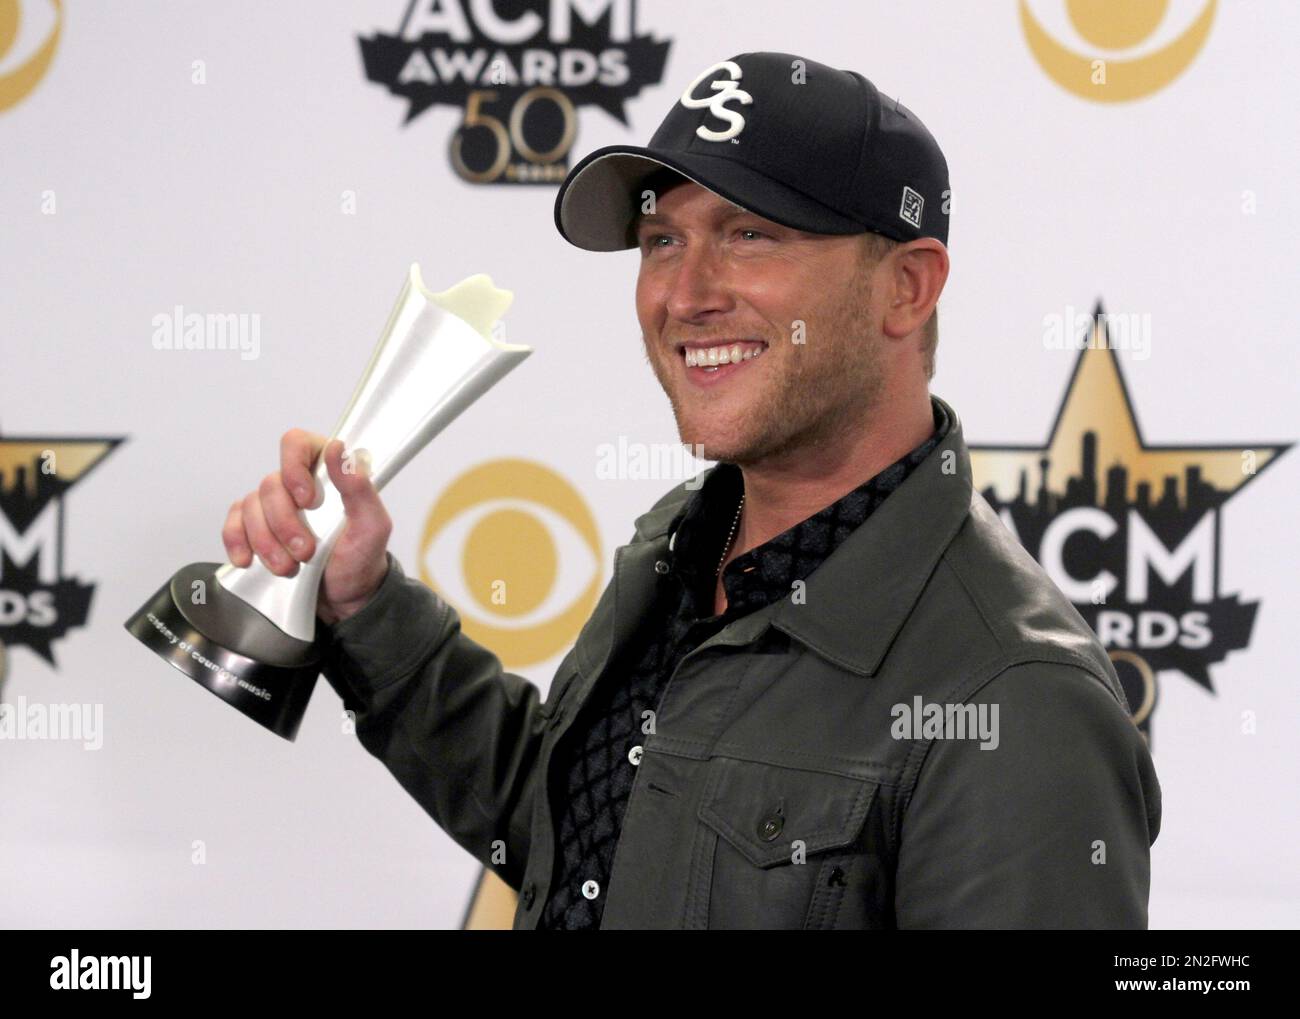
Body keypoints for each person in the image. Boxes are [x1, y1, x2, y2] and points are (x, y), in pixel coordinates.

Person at [221, 52, 1160, 929]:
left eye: (751, 234)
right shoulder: (683, 541)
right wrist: (363, 600)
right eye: (661, 238)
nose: (686, 292)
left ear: (907, 289)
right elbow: (582, 832)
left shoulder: (1019, 700)